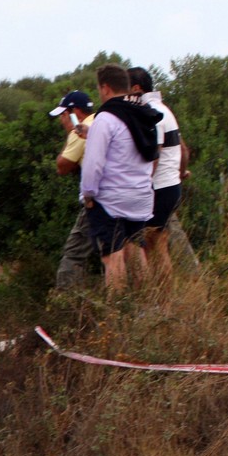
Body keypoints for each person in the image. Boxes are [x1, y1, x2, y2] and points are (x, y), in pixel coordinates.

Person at [80, 64, 162, 292]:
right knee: (136, 250)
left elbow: (93, 163)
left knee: (112, 256)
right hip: (140, 196)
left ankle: (117, 313)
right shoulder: (144, 114)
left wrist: (88, 195)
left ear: (105, 88)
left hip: (111, 200)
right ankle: (145, 305)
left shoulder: (105, 118)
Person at [127, 66, 195, 281]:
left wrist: (141, 186)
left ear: (136, 88)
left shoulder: (150, 113)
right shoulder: (165, 109)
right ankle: (163, 302)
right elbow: (183, 150)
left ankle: (154, 301)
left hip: (158, 187)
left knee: (145, 244)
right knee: (159, 242)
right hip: (171, 186)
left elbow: (154, 156)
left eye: (125, 89)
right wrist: (181, 173)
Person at [49, 90, 97, 288]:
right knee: (115, 251)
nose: (62, 119)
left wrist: (70, 132)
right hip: (121, 195)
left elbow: (62, 166)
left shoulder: (81, 129)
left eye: (64, 114)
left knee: (73, 255)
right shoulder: (102, 121)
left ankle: (68, 305)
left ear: (75, 111)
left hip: (94, 200)